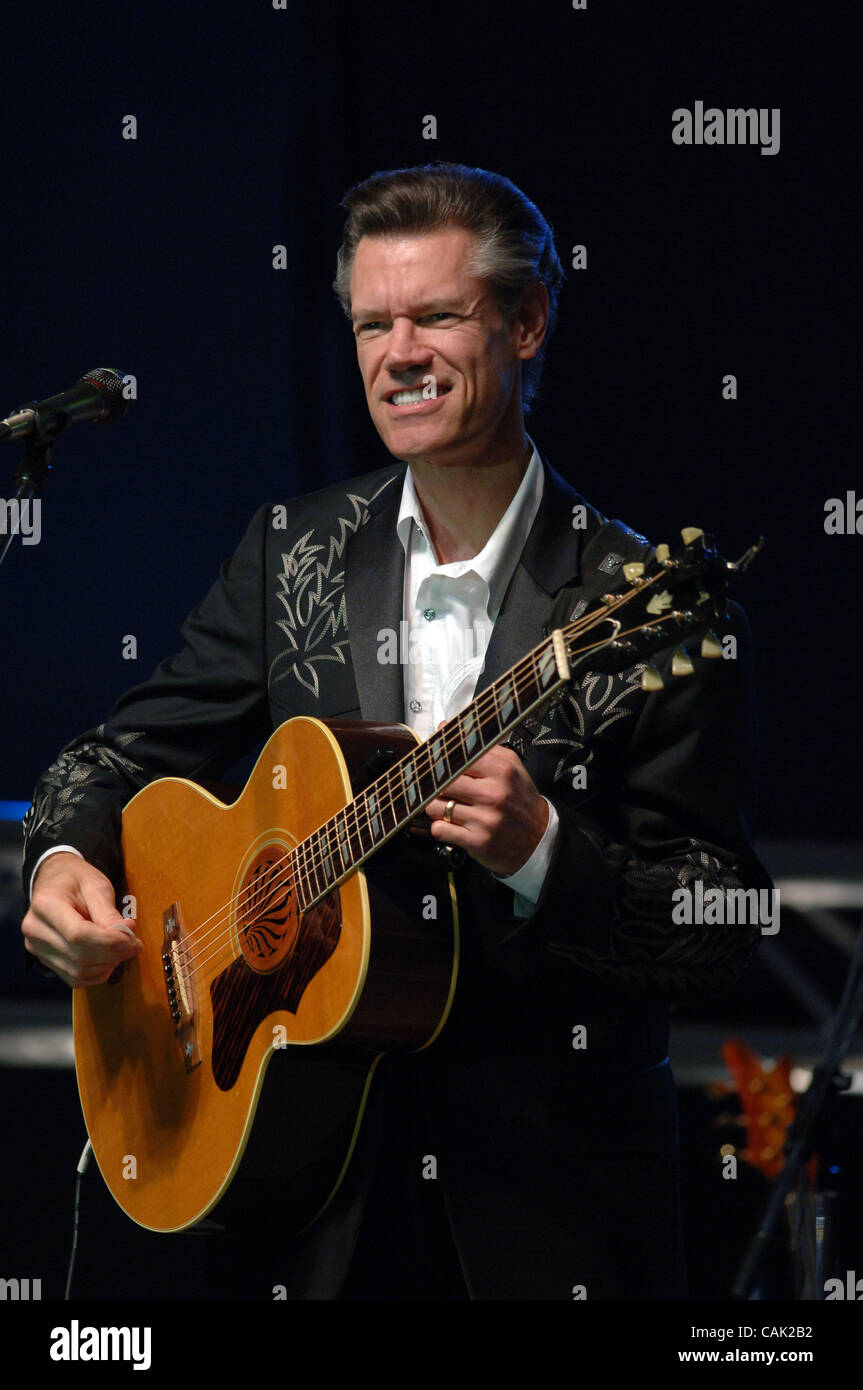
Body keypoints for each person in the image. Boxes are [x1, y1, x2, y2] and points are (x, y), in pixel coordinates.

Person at [21, 161, 770, 1299]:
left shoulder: (636, 603)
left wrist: (544, 856)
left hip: (548, 1219)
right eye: (373, 323)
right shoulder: (293, 551)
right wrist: (65, 856)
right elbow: (117, 758)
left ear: (526, 323)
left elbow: (724, 917)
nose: (397, 353)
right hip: (303, 1202)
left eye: (434, 316)